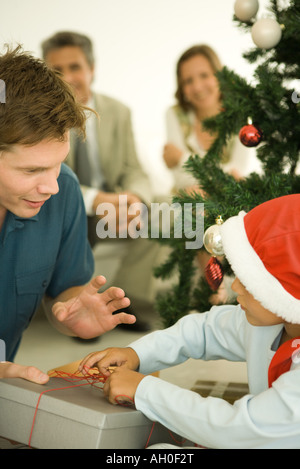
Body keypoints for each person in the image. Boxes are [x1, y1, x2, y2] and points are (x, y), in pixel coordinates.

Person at [79, 194, 300, 449]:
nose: (235, 286)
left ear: (286, 294)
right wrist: (136, 353)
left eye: (251, 281)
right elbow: (205, 331)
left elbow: (243, 429)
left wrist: (144, 390)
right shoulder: (270, 323)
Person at [0, 45, 137, 385]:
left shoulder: (63, 191)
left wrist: (71, 314)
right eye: (32, 169)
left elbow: (64, 294)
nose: (52, 187)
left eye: (57, 163)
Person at [42, 32, 160, 330]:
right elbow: (47, 177)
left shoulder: (118, 112)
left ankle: (125, 300)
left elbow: (134, 168)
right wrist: (96, 200)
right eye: (57, 71)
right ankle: (77, 311)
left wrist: (135, 198)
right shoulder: (39, 117)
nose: (67, 77)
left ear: (91, 69)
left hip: (111, 213)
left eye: (75, 67)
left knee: (161, 212)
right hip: (62, 211)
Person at [163, 44, 261, 193]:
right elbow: (181, 180)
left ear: (219, 76)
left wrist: (182, 158)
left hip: (229, 204)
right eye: (188, 81)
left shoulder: (240, 117)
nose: (197, 87)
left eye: (204, 75)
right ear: (181, 87)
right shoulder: (174, 114)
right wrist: (221, 175)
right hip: (187, 204)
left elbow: (236, 175)